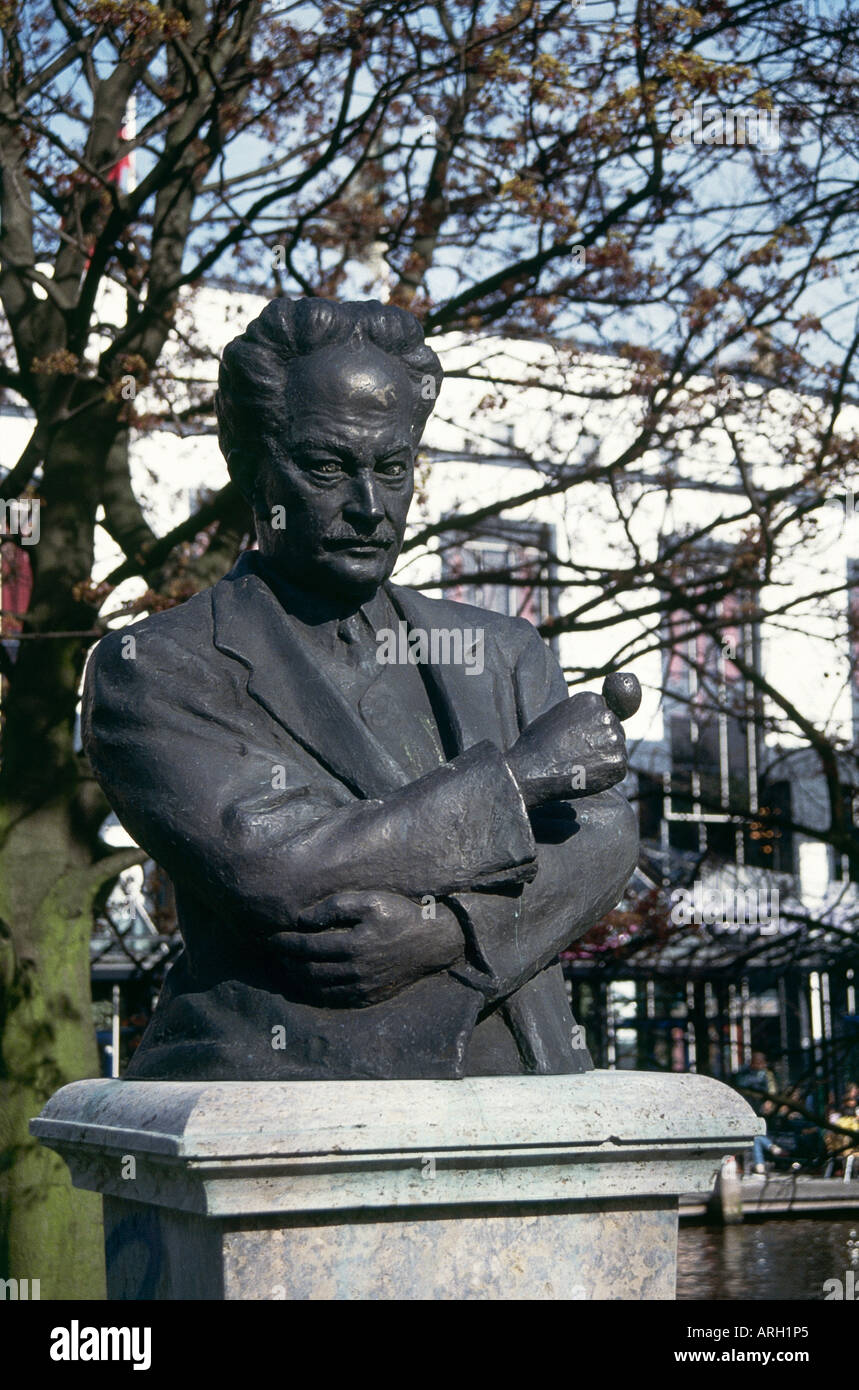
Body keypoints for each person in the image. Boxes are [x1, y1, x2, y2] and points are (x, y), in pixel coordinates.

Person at [82, 297, 639, 1080]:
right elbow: (287, 870)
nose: (370, 507)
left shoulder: (503, 651)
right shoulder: (155, 667)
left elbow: (603, 838)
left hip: (525, 1085)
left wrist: (444, 934)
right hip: (278, 1089)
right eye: (326, 467)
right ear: (246, 462)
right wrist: (516, 780)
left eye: (392, 467)